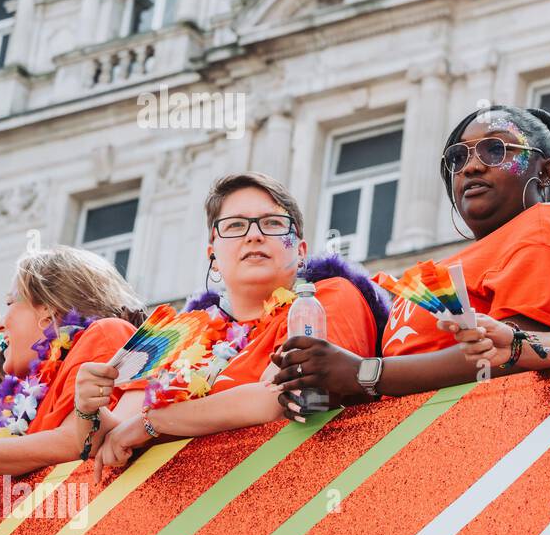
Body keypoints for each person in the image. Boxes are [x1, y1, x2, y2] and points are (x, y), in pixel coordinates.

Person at [272, 105, 550, 418]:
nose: (471, 167)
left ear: (546, 171)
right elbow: (395, 382)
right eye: (459, 157)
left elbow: (513, 356)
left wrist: (362, 372)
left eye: (494, 150)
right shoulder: (453, 263)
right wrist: (331, 386)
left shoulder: (546, 224)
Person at [75, 172, 384, 477]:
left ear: (300, 253)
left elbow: (274, 401)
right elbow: (115, 440)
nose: (254, 235)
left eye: (273, 223)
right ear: (213, 257)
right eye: (236, 225)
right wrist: (89, 407)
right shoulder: (177, 332)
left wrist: (153, 423)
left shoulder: (321, 300)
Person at [0, 247, 145, 477]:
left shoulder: (106, 333)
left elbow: (76, 441)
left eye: (10, 303)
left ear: (48, 312)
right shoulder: (12, 400)